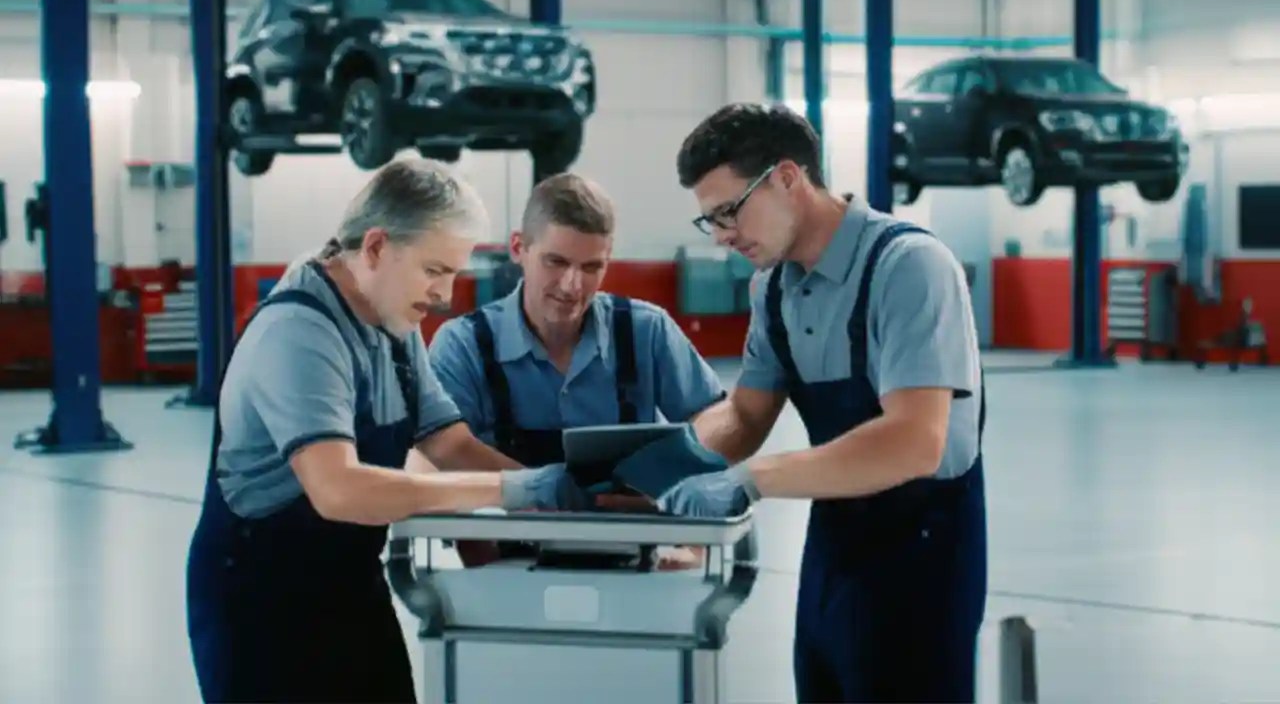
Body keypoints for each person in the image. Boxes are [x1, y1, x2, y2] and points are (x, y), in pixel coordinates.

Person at [185, 159, 591, 704]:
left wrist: (563, 493)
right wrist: (511, 491)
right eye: (433, 271)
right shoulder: (298, 332)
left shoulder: (391, 323)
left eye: (453, 274)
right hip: (261, 604)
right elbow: (340, 490)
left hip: (349, 586)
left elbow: (450, 444)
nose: (445, 295)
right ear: (376, 247)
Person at [648, 103, 988, 703]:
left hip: (925, 556)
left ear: (786, 178)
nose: (724, 235)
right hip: (834, 551)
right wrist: (651, 468)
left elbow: (914, 440)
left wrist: (750, 480)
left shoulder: (909, 267)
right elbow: (747, 414)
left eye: (729, 212)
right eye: (711, 221)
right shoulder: (774, 288)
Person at [426, 172, 727, 567]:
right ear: (519, 247)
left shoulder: (647, 332)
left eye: (591, 267)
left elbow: (716, 422)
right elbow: (445, 452)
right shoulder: (463, 346)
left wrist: (690, 538)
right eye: (556, 261)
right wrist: (534, 495)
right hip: (505, 563)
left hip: (638, 566)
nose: (572, 285)